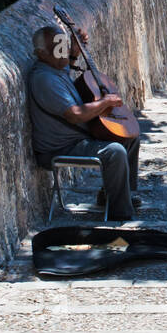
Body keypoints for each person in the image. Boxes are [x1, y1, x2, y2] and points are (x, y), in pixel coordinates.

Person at [28, 22, 141, 221]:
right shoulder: (44, 79)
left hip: (76, 139)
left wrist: (74, 53)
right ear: (41, 53)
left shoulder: (54, 69)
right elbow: (75, 114)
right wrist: (105, 102)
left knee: (129, 135)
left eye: (64, 45)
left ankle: (120, 195)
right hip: (59, 148)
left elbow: (64, 68)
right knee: (114, 151)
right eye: (58, 48)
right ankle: (120, 212)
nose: (63, 51)